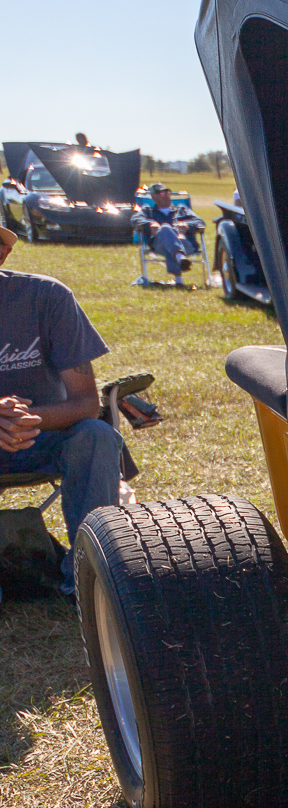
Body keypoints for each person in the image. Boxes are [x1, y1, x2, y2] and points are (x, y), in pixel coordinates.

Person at [0, 223, 126, 599]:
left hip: (42, 437)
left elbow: (87, 402)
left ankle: (94, 577)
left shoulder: (46, 296)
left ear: (2, 252)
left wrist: (24, 420)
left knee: (97, 436)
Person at [134, 184, 201, 285]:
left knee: (170, 242)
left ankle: (179, 274)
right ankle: (179, 258)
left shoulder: (181, 209)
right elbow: (134, 220)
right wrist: (149, 223)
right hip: (159, 246)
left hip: (185, 244)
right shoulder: (148, 211)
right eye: (161, 193)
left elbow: (200, 222)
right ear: (153, 197)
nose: (165, 195)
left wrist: (187, 225)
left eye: (167, 192)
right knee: (165, 228)